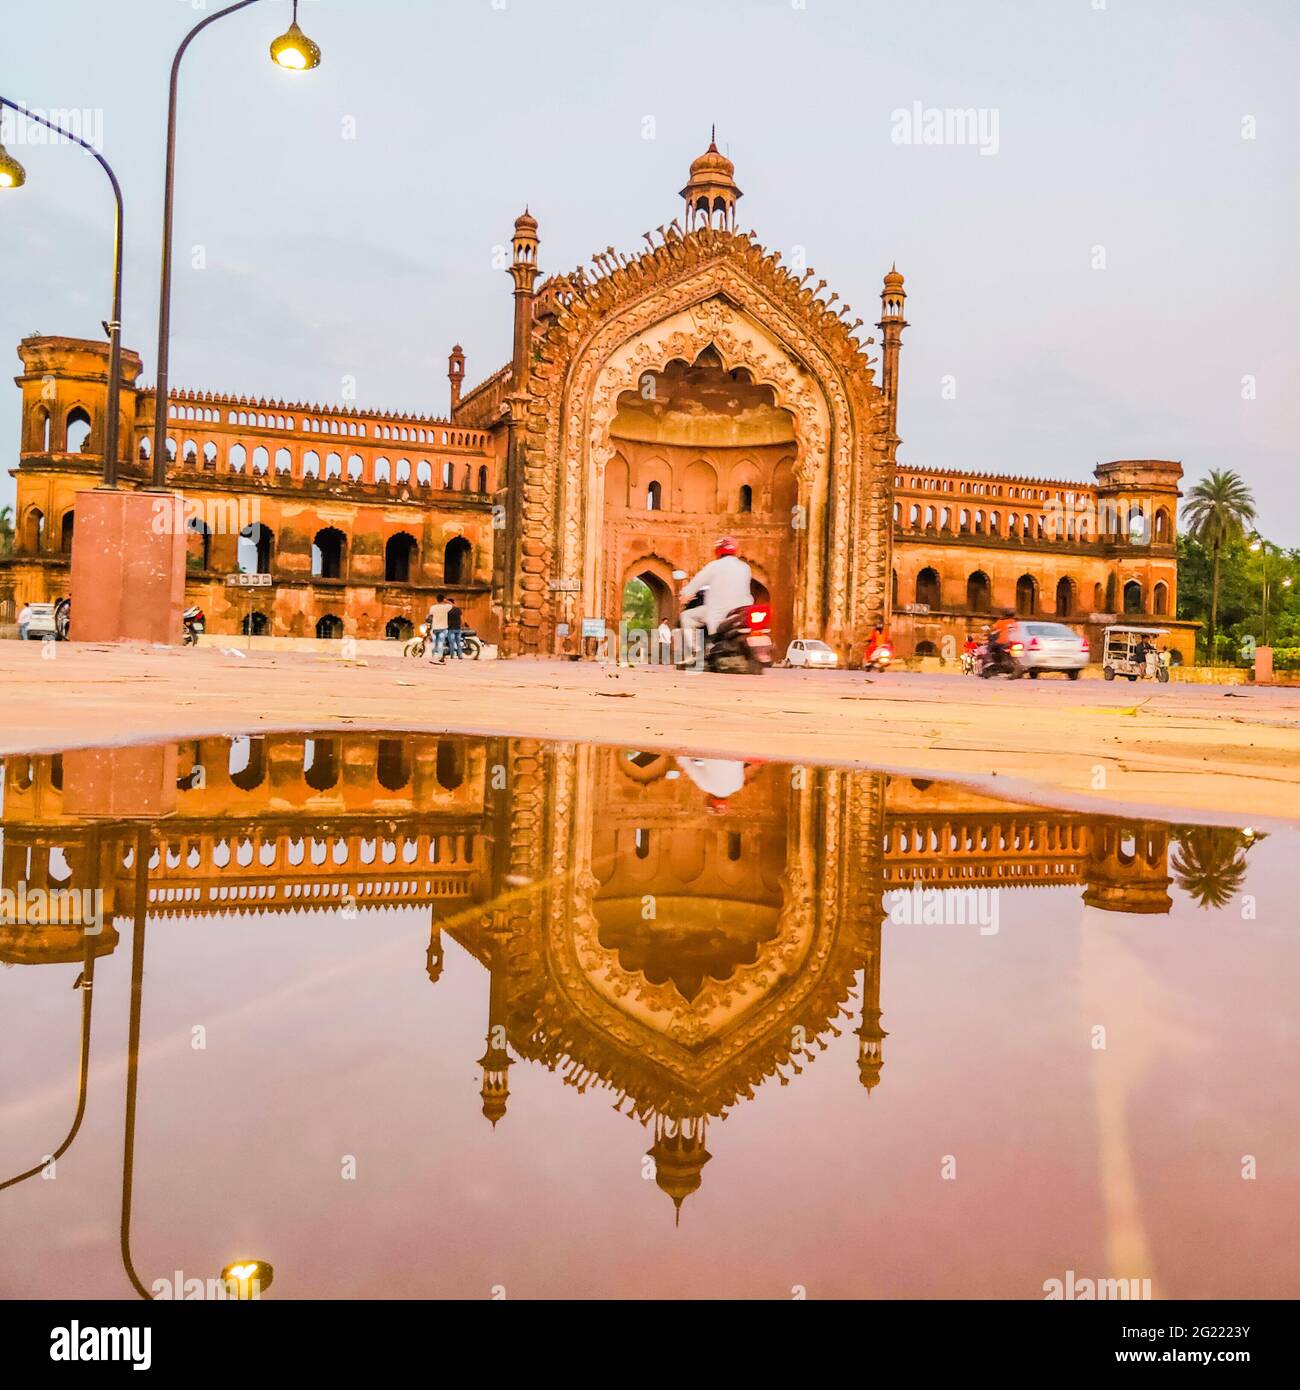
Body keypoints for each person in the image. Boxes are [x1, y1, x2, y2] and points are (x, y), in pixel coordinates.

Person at [679, 537, 753, 655]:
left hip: (718, 613)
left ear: (718, 551)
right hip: (743, 612)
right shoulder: (745, 567)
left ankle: (696, 652)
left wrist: (684, 595)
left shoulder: (714, 566)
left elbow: (695, 584)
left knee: (686, 616)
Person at [426, 593, 452, 662]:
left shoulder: (433, 607)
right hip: (443, 628)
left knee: (434, 642)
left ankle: (433, 656)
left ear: (436, 600)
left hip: (435, 628)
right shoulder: (446, 607)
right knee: (441, 642)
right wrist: (446, 601)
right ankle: (440, 656)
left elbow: (430, 615)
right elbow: (452, 605)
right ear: (443, 599)